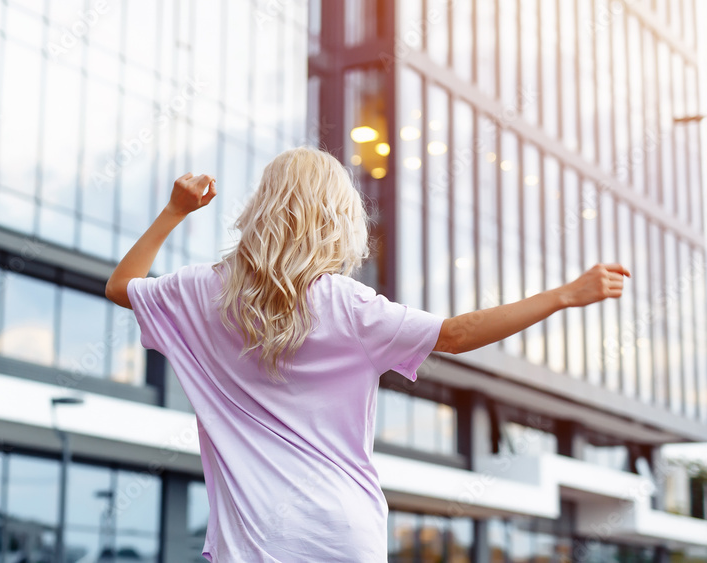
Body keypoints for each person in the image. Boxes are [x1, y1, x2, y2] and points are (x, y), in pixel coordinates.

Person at [104, 146, 630, 562]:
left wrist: (175, 211)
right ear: (336, 218)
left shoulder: (201, 292)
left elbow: (121, 286)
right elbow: (456, 334)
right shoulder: (348, 305)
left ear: (261, 207)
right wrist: (564, 295)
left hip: (253, 541)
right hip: (341, 533)